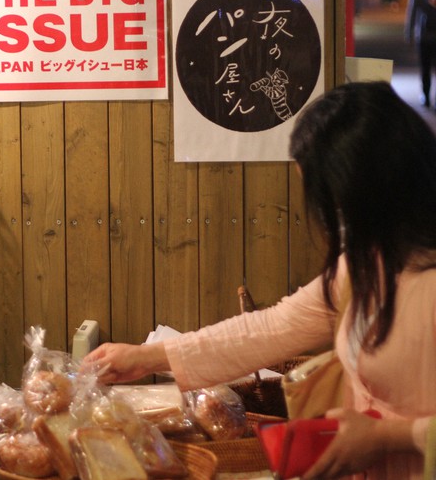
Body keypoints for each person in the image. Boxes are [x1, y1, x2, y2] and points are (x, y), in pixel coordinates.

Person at [84, 82, 436, 480]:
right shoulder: (365, 264)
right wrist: (143, 357)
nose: (331, 219)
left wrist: (391, 436)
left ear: (372, 191)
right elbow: (270, 328)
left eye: (332, 201)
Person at [405, 0, 436, 108]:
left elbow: (412, 13)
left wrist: (409, 33)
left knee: (425, 68)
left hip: (423, 37)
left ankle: (426, 96)